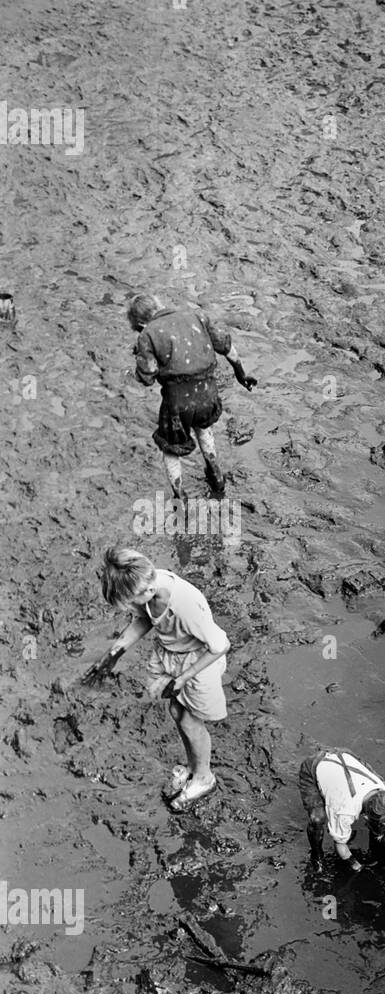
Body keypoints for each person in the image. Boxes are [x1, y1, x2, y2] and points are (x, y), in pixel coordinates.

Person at [85, 546, 230, 811]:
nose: (130, 607)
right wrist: (114, 653)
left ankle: (204, 778)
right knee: (177, 712)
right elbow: (145, 620)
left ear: (147, 590)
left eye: (130, 601)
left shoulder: (186, 605)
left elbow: (220, 645)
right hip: (175, 653)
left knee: (190, 721)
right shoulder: (149, 586)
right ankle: (192, 767)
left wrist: (184, 678)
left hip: (199, 660)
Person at [127, 293, 257, 499]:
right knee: (204, 428)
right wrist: (241, 374)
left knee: (170, 449)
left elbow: (147, 377)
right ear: (159, 304)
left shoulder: (148, 335)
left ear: (140, 323)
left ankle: (180, 497)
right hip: (208, 394)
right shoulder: (197, 317)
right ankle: (216, 475)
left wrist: (137, 362)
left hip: (177, 402)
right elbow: (227, 347)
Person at [297, 748, 385, 870]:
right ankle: (316, 855)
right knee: (317, 819)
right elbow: (340, 845)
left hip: (345, 756)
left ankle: (379, 838)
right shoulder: (344, 812)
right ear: (366, 818)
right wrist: (355, 865)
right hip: (315, 766)